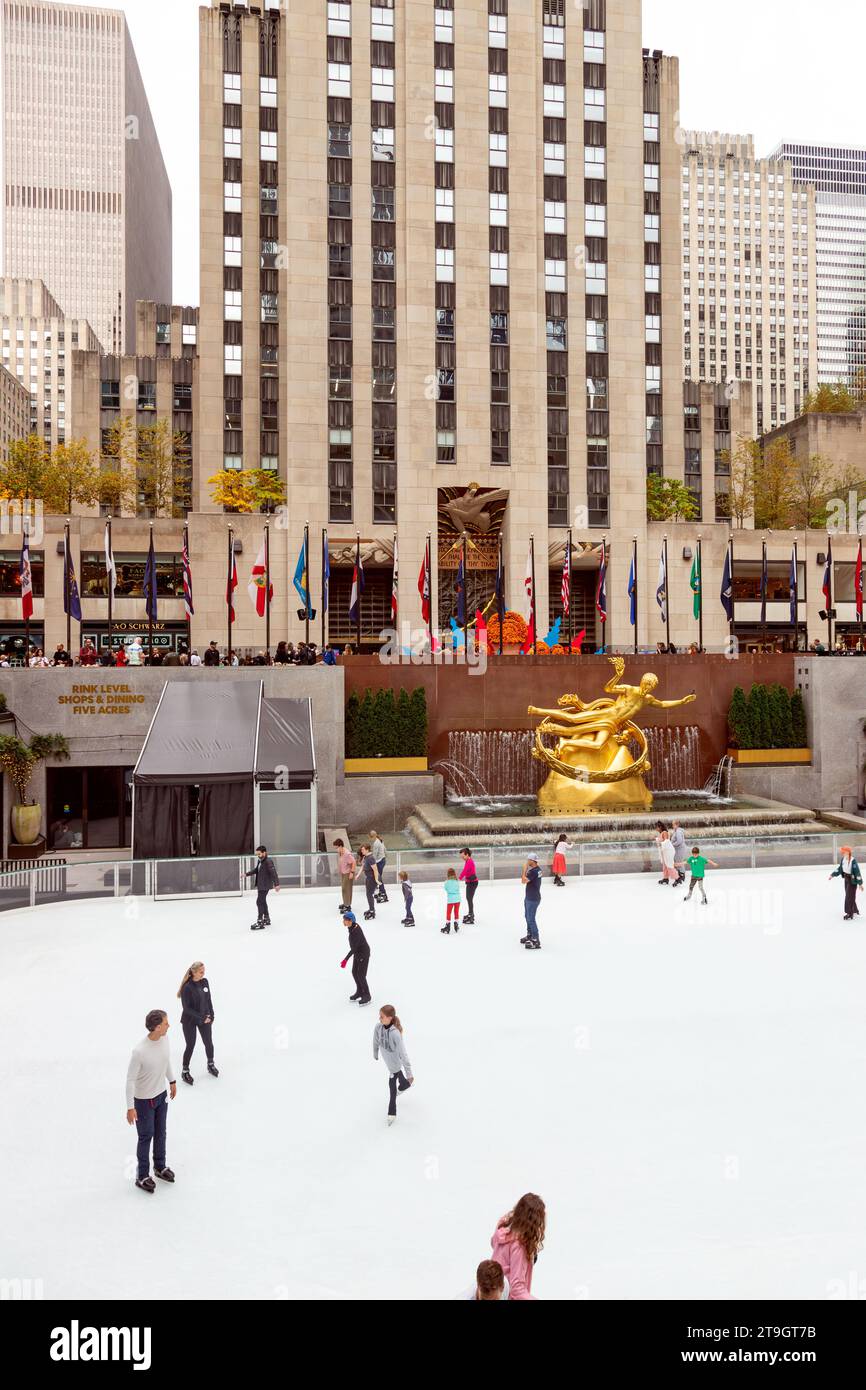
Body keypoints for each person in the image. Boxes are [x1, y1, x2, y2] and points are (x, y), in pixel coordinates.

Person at [125, 1009, 177, 1194]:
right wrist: (130, 1107)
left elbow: (165, 1061)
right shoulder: (139, 1051)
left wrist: (172, 1080)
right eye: (165, 1023)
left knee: (161, 1133)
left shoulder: (165, 1040)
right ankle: (142, 1176)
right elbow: (130, 1080)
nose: (169, 1025)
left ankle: (160, 1166)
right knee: (146, 1136)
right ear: (156, 1027)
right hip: (144, 1102)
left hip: (161, 1096)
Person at [490, 1194, 546, 1300]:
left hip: (494, 1291)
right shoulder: (519, 1246)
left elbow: (493, 1243)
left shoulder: (504, 1225)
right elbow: (516, 1289)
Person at [177, 961, 218, 1084]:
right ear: (193, 972)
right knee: (190, 1045)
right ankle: (185, 1071)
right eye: (201, 972)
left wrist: (212, 1015)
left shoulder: (204, 982)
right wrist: (202, 1017)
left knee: (209, 1043)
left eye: (204, 971)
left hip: (205, 1019)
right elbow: (187, 1008)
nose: (203, 974)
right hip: (190, 1020)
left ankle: (210, 1064)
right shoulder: (187, 987)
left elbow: (208, 999)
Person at [373, 1004, 414, 1127]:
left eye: (382, 1017)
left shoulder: (395, 1034)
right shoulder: (378, 1027)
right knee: (400, 1078)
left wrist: (409, 1073)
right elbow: (375, 1040)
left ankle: (392, 1112)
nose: (379, 1019)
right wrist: (375, 1051)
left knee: (392, 1088)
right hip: (389, 1064)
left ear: (390, 1018)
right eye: (379, 1016)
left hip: (395, 1064)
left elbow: (403, 1054)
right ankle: (405, 1084)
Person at [245, 844, 280, 930]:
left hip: (265, 885)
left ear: (264, 853)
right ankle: (266, 918)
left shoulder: (268, 861)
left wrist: (277, 884)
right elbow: (256, 870)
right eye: (257, 854)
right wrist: (246, 874)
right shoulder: (260, 861)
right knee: (263, 901)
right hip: (261, 885)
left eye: (259, 854)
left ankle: (260, 921)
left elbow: (274, 873)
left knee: (259, 902)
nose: (258, 856)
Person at [340, 910, 371, 1005]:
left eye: (345, 919)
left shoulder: (356, 931)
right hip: (357, 953)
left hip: (363, 954)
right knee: (354, 972)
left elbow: (354, 948)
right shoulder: (352, 927)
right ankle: (360, 991)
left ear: (350, 921)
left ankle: (367, 995)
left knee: (361, 975)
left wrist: (345, 959)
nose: (343, 921)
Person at [829, 845, 863, 920]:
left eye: (843, 852)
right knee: (849, 895)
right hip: (846, 879)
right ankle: (854, 909)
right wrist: (833, 875)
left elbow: (857, 872)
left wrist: (860, 883)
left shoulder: (853, 861)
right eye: (842, 852)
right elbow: (840, 869)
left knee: (849, 897)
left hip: (852, 881)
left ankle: (849, 913)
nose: (842, 853)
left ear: (848, 852)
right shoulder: (843, 859)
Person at [520, 855, 542, 950]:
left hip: (532, 899)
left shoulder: (533, 871)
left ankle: (536, 939)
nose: (527, 861)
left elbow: (523, 881)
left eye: (528, 859)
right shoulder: (538, 869)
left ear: (532, 860)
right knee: (527, 917)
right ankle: (530, 935)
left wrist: (524, 870)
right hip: (530, 897)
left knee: (531, 919)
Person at [355, 843, 380, 920]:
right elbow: (363, 866)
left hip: (372, 878)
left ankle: (372, 911)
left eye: (362, 849)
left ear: (367, 850)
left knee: (369, 894)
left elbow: (375, 870)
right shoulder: (366, 857)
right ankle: (371, 909)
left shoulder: (371, 858)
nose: (361, 851)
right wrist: (358, 875)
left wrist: (376, 880)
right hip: (368, 878)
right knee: (368, 894)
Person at [333, 837, 356, 913]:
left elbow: (353, 862)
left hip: (348, 873)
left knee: (347, 889)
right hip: (343, 872)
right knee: (343, 888)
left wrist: (352, 873)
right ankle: (345, 903)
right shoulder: (340, 852)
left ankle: (348, 905)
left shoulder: (347, 853)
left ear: (340, 846)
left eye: (336, 848)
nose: (336, 849)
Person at [459, 847, 478, 923]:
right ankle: (470, 914)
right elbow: (466, 872)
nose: (462, 858)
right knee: (468, 898)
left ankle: (471, 915)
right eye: (461, 857)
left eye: (463, 856)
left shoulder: (469, 862)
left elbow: (465, 871)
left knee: (469, 898)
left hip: (473, 883)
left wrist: (459, 878)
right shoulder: (467, 861)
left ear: (467, 855)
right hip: (470, 882)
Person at [370, 830, 388, 903]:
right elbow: (385, 850)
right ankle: (381, 891)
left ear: (372, 836)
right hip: (382, 860)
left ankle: (384, 893)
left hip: (379, 862)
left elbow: (374, 855)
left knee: (378, 877)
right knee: (378, 877)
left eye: (370, 837)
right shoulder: (380, 840)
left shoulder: (376, 843)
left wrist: (371, 863)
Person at [442, 867, 461, 935]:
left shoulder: (447, 882)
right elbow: (458, 888)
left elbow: (446, 889)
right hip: (457, 899)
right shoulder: (457, 881)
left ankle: (448, 926)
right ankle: (456, 924)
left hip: (450, 899)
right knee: (456, 912)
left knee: (448, 913)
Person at [670, 820, 686, 885]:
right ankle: (680, 875)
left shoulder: (678, 832)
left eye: (673, 824)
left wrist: (672, 844)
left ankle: (682, 875)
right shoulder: (676, 831)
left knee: (679, 862)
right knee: (678, 862)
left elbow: (679, 841)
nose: (672, 826)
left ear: (677, 825)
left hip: (679, 849)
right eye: (672, 824)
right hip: (678, 849)